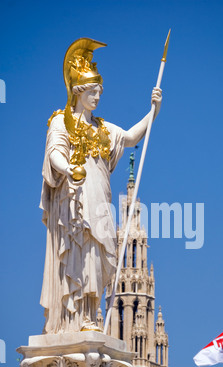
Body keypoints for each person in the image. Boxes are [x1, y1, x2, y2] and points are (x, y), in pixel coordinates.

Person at [40, 38, 162, 334]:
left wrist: (153, 111)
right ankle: (75, 318)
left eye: (99, 92)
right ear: (79, 92)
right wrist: (69, 168)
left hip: (99, 200)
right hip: (74, 200)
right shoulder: (62, 122)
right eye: (93, 92)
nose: (97, 98)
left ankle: (91, 315)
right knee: (79, 253)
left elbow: (132, 138)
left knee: (97, 255)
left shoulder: (103, 128)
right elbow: (55, 152)